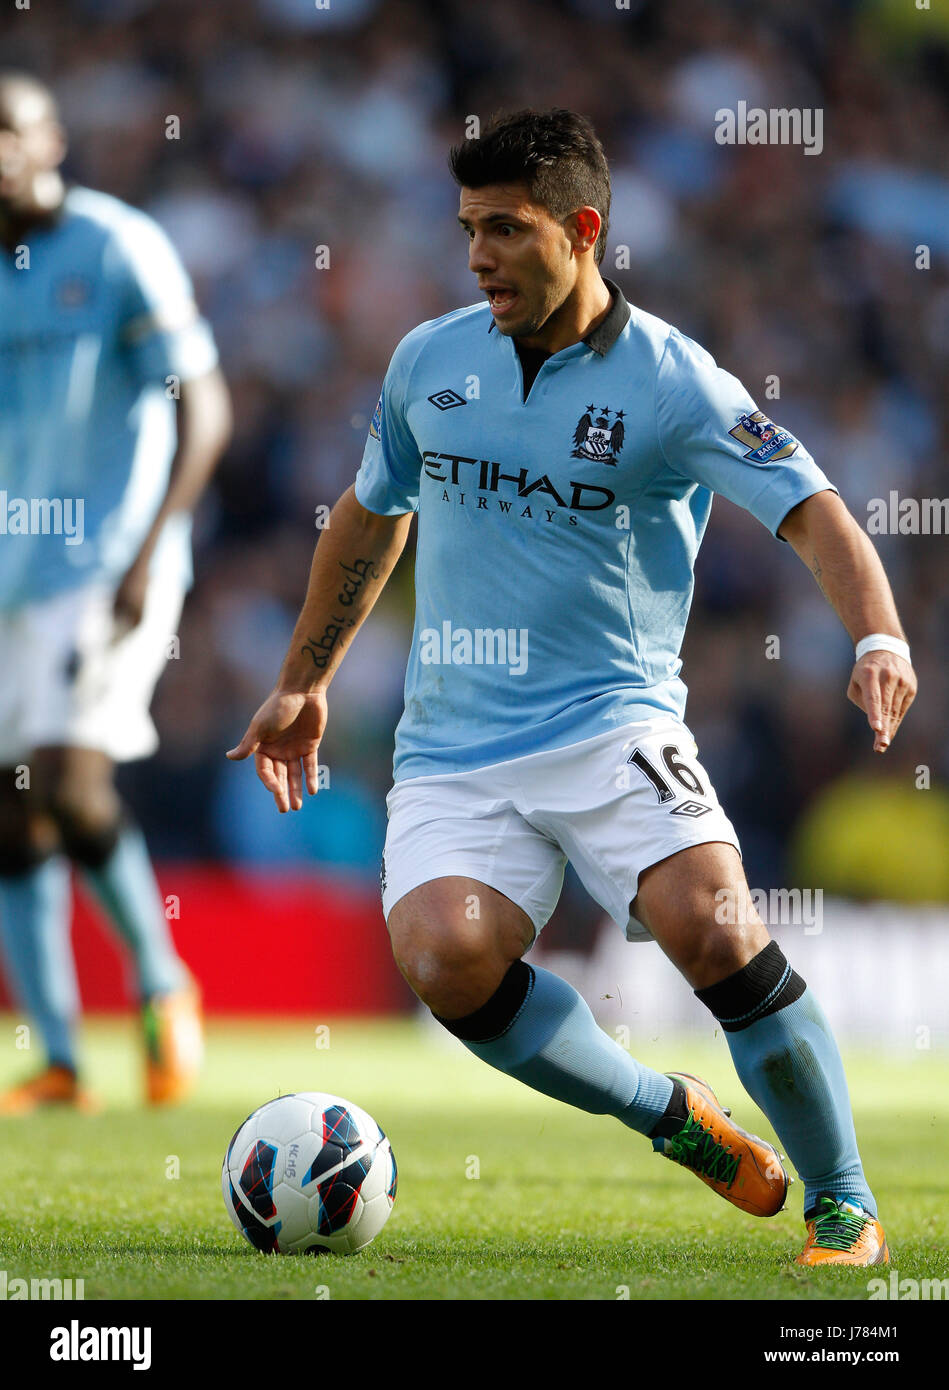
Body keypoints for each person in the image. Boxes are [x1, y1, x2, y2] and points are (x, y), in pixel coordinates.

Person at [227, 109, 916, 1266]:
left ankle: (842, 1201)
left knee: (712, 926)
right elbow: (366, 518)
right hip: (453, 742)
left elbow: (814, 510)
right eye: (467, 230)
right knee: (447, 958)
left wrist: (875, 637)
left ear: (582, 230)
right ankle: (671, 1116)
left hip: (613, 724)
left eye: (505, 229)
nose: (479, 255)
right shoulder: (428, 361)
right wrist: (304, 680)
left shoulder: (673, 383)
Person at [0, 71, 232, 1111]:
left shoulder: (117, 244)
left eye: (9, 129)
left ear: (53, 140)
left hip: (105, 557)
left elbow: (206, 404)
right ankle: (56, 1054)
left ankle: (159, 982)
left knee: (67, 783)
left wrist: (154, 545)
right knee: (11, 816)